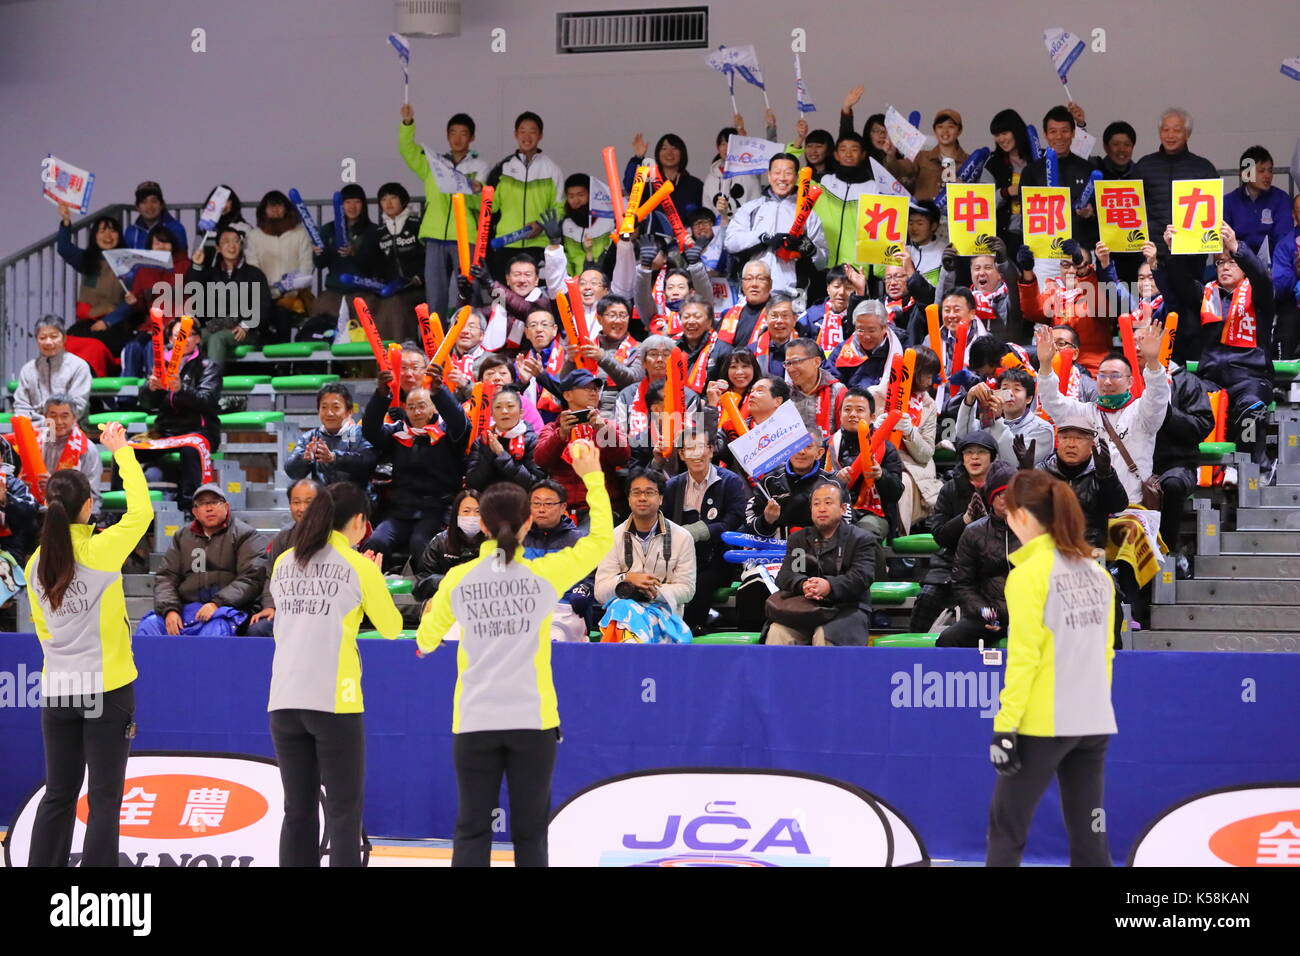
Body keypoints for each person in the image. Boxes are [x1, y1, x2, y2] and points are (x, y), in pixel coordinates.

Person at [417, 440, 614, 866]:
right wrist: (592, 477)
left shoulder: (457, 579)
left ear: (483, 526)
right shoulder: (545, 574)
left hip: (474, 720)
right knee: (530, 834)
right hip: (532, 721)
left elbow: (426, 640)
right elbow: (600, 540)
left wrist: (429, 630)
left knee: (471, 829)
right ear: (527, 523)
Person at [23, 423, 146, 867]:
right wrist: (122, 453)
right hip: (107, 688)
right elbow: (141, 514)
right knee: (105, 797)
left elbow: (42, 629)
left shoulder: (36, 563)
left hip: (57, 688)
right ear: (88, 505)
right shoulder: (101, 550)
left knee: (58, 792)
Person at [268, 481, 404, 867]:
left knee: (297, 811)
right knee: (344, 814)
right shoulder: (359, 566)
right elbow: (391, 626)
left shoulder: (283, 562)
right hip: (334, 701)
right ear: (359, 521)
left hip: (284, 698)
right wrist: (373, 579)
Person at [987, 469, 1116, 868]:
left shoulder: (1028, 575)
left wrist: (1005, 725)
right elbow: (1106, 652)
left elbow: (1024, 656)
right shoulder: (1096, 572)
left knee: (1007, 827)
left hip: (1045, 722)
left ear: (1023, 515)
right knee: (1089, 835)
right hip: (1094, 720)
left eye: (1009, 512)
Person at [1163, 222, 1276, 472]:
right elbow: (1181, 282)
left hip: (1250, 377)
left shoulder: (1260, 294)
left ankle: (1250, 466)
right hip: (1210, 379)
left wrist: (1237, 247)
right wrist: (1171, 251)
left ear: (1243, 267)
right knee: (1174, 401)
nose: (1224, 267)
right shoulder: (1207, 294)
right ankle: (1184, 469)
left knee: (1251, 407)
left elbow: (1262, 276)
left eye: (1230, 262)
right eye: (1219, 263)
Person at [1035, 322, 1169, 505]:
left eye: (1114, 376)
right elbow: (1052, 402)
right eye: (1102, 375)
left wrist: (1153, 362)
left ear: (1130, 382)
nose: (1107, 382)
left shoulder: (1142, 412)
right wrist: (1044, 365)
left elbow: (1158, 396)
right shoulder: (1085, 412)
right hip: (1092, 509)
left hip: (1133, 508)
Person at [362, 367, 469, 563]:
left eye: (422, 406)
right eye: (411, 407)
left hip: (437, 510)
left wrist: (440, 392)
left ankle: (428, 591)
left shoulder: (447, 433)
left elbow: (461, 424)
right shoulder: (399, 433)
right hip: (401, 511)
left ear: (434, 408)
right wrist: (381, 395)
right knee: (375, 542)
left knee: (421, 543)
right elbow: (370, 431)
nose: (416, 412)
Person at [138, 483, 266, 636]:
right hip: (186, 609)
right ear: (195, 512)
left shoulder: (246, 535)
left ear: (226, 507)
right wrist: (170, 610)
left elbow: (251, 578)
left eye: (214, 502)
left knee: (214, 632)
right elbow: (166, 577)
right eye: (202, 504)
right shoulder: (181, 537)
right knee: (149, 626)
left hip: (228, 609)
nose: (209, 508)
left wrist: (217, 603)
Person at [399, 104, 489, 317]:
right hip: (435, 233)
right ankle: (437, 342)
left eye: (463, 134)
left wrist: (477, 190)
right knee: (435, 292)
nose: (457, 138)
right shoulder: (433, 163)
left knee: (468, 288)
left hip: (465, 235)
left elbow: (483, 202)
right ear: (447, 136)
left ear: (472, 138)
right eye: (453, 133)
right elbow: (406, 149)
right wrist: (407, 124)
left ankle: (469, 337)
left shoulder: (480, 166)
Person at [767, 480, 876, 646]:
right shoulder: (799, 539)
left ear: (843, 508)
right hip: (805, 608)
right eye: (816, 504)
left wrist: (829, 586)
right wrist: (803, 584)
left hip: (846, 608)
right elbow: (787, 575)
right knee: (778, 632)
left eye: (828, 502)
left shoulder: (860, 539)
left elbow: (862, 577)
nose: (822, 508)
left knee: (824, 635)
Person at [911, 430, 998, 631]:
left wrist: (985, 521)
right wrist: (965, 518)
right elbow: (939, 535)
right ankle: (912, 651)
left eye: (981, 452)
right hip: (951, 563)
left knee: (992, 613)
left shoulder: (1001, 488)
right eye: (969, 452)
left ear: (992, 457)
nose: (974, 457)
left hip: (990, 567)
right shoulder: (950, 488)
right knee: (926, 598)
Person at [135, 317, 224, 512]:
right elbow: (146, 404)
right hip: (167, 430)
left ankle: (189, 508)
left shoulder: (208, 366)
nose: (181, 341)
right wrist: (151, 388)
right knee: (124, 450)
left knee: (190, 450)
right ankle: (121, 509)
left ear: (198, 339)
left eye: (187, 336)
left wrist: (181, 389)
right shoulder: (161, 364)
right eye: (177, 336)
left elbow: (207, 400)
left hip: (199, 429)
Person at [664, 432, 749, 631]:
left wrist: (697, 531)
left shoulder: (730, 481)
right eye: (689, 449)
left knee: (700, 583)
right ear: (681, 454)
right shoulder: (673, 485)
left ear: (711, 450)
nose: (696, 454)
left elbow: (735, 519)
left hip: (718, 556)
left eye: (701, 447)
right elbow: (663, 521)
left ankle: (690, 630)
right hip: (680, 557)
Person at [596, 467, 697, 622]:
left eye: (649, 492)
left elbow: (687, 590)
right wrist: (627, 579)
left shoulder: (682, 537)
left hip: (665, 617)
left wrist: (651, 589)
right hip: (624, 618)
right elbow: (600, 592)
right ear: (629, 499)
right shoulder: (612, 538)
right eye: (636, 492)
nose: (642, 498)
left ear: (661, 498)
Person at [939, 460, 1020, 648]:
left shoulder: (1036, 529)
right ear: (992, 498)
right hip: (988, 614)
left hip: (1030, 614)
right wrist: (985, 612)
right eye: (1001, 494)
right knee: (949, 640)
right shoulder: (973, 532)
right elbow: (963, 583)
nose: (1007, 499)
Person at [535, 369, 630, 521]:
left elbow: (622, 458)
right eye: (586, 388)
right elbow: (541, 460)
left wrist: (602, 430)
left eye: (596, 389)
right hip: (561, 508)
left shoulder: (607, 425)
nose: (593, 393)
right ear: (567, 395)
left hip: (600, 508)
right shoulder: (553, 428)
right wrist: (561, 435)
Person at [724, 152, 828, 291]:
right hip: (754, 291)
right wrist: (762, 238)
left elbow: (822, 262)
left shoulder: (809, 215)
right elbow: (730, 242)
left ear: (797, 177)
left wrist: (810, 249)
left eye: (788, 173)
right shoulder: (751, 208)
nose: (782, 178)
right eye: (777, 172)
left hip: (791, 294)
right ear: (769, 175)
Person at [867, 346, 943, 533]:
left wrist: (910, 432)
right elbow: (855, 435)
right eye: (927, 375)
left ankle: (898, 538)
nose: (930, 382)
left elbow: (925, 454)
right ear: (915, 372)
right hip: (876, 461)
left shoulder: (929, 405)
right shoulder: (876, 394)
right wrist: (875, 427)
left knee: (903, 484)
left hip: (912, 469)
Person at [485, 111, 564, 276]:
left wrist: (542, 225)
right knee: (501, 296)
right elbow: (489, 207)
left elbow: (560, 206)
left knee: (535, 298)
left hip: (538, 245)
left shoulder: (552, 169)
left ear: (540, 135)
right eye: (522, 131)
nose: (527, 136)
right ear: (515, 134)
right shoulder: (502, 169)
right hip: (505, 244)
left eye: (532, 131)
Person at [1132, 108, 1218, 255]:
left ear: (1187, 134)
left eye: (1177, 130)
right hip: (1153, 250)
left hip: (1192, 250)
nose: (1170, 135)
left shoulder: (1203, 168)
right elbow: (1133, 206)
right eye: (1165, 130)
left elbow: (1214, 213)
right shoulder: (1144, 165)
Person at [521, 480, 598, 642]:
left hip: (564, 609)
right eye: (536, 503)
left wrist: (584, 589)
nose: (541, 509)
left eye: (548, 504)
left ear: (563, 507)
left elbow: (592, 579)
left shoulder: (580, 540)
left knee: (551, 638)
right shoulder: (517, 539)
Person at [1035, 416, 1128, 550]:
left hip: (1089, 552)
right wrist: (1025, 473)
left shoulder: (1099, 472)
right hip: (1047, 552)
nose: (1071, 444)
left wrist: (1106, 476)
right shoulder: (1042, 471)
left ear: (1092, 444)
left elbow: (1118, 506)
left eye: (1078, 438)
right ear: (1057, 441)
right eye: (1065, 437)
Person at [185, 225, 273, 365]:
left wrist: (246, 324)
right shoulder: (212, 273)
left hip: (245, 330)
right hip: (215, 326)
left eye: (236, 241)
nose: (232, 246)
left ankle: (211, 383)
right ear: (217, 248)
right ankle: (184, 380)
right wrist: (196, 265)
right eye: (226, 241)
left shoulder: (254, 274)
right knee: (190, 337)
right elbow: (192, 290)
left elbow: (264, 306)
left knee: (217, 338)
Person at [248, 478, 320, 637]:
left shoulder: (335, 538)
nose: (302, 508)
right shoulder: (283, 538)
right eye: (296, 502)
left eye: (309, 502)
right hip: (287, 611)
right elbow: (270, 575)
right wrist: (270, 606)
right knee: (257, 629)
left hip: (322, 613)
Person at [1019, 105, 1099, 248]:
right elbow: (1025, 214)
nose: (1059, 137)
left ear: (1073, 133)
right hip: (1045, 250)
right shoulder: (1031, 171)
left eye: (1065, 131)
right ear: (1045, 134)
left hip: (1082, 249)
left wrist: (1090, 214)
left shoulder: (1087, 168)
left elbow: (1100, 212)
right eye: (1053, 131)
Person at [54, 206, 130, 349]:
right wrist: (65, 221)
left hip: (113, 324)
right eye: (102, 231)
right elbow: (63, 248)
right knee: (67, 344)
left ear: (119, 235)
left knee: (94, 346)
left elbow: (132, 301)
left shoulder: (128, 263)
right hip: (86, 322)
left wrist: (109, 319)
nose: (108, 236)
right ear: (94, 236)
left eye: (113, 231)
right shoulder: (87, 259)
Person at [244, 190, 315, 343]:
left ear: (286, 209)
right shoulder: (254, 236)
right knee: (261, 315)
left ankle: (283, 362)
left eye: (279, 206)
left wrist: (290, 286)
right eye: (271, 207)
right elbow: (252, 268)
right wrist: (268, 290)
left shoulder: (300, 233)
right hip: (262, 296)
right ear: (263, 211)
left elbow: (306, 267)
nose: (275, 210)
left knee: (283, 313)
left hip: (294, 295)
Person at [745, 428, 838, 537]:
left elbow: (845, 526)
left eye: (808, 446)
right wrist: (767, 520)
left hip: (820, 550)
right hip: (775, 551)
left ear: (819, 453)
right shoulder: (769, 481)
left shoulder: (832, 484)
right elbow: (751, 528)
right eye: (796, 445)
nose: (801, 451)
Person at [284, 383, 376, 489]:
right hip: (322, 501)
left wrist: (335, 458)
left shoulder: (361, 434)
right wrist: (304, 459)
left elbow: (368, 463)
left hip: (357, 501)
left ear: (349, 412)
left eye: (336, 407)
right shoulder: (311, 437)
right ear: (318, 411)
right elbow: (291, 472)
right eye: (324, 407)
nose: (329, 413)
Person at [956, 368, 1054, 466]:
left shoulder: (1042, 429)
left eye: (1017, 389)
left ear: (1028, 398)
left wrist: (998, 420)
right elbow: (964, 436)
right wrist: (969, 400)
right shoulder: (989, 422)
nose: (1010, 394)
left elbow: (1014, 461)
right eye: (1005, 389)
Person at [14, 318, 92, 426]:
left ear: (64, 338)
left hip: (68, 428)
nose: (48, 342)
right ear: (36, 340)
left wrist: (50, 423)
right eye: (42, 338)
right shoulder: (28, 369)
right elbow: (21, 406)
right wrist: (39, 424)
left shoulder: (79, 366)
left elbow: (78, 408)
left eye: (54, 337)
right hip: (34, 429)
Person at [465, 385, 546, 490]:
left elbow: (535, 483)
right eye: (498, 407)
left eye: (510, 406)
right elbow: (473, 483)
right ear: (492, 414)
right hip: (489, 501)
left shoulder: (533, 440)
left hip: (521, 502)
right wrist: (489, 453)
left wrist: (501, 455)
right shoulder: (482, 440)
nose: (504, 411)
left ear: (521, 413)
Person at [412, 489, 485, 602]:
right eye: (466, 511)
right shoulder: (439, 542)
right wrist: (450, 582)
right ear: (456, 514)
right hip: (443, 602)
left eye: (478, 511)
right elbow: (422, 582)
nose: (472, 516)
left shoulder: (494, 544)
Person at [38, 396, 101, 510]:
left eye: (64, 416)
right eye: (53, 416)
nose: (58, 422)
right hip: (40, 507)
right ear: (45, 417)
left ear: (74, 418)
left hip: (76, 510)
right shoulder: (36, 442)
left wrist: (55, 486)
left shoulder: (86, 448)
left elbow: (90, 492)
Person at [985, 109, 1033, 253]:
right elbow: (984, 202)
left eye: (1005, 133)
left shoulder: (1038, 159)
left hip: (1036, 235)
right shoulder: (993, 163)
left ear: (1017, 131)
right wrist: (1006, 192)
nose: (1001, 139)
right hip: (1004, 238)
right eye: (997, 135)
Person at [828, 300, 903, 389]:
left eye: (871, 330)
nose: (866, 336)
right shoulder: (842, 350)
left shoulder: (900, 349)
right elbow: (830, 381)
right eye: (860, 330)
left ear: (884, 328)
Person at [786, 337, 846, 435]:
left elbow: (843, 435)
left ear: (817, 362)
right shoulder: (784, 392)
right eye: (787, 363)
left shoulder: (838, 391)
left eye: (796, 362)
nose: (791, 369)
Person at [912, 109, 969, 201]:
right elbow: (901, 170)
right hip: (925, 213)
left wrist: (965, 188)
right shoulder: (921, 157)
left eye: (950, 127)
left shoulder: (969, 161)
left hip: (953, 213)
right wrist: (891, 156)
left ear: (959, 130)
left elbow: (981, 194)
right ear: (934, 130)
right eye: (940, 127)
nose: (945, 131)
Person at [717, 259, 774, 349]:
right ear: (742, 284)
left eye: (760, 279)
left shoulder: (778, 315)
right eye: (749, 279)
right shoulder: (729, 314)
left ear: (770, 284)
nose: (754, 284)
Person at [123, 181, 187, 251]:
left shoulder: (176, 229)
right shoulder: (131, 232)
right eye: (144, 202)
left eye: (154, 201)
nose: (149, 206)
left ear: (162, 204)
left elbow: (182, 258)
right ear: (137, 207)